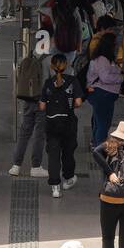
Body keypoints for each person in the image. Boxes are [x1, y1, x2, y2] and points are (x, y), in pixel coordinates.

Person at [39, 53, 84, 198]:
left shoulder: (48, 83)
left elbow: (41, 106)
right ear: (66, 66)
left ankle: (55, 187)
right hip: (68, 123)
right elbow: (78, 102)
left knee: (53, 154)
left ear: (52, 67)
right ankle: (69, 178)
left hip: (52, 124)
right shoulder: (72, 81)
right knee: (68, 152)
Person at [9, 49, 48, 179]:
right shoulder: (48, 60)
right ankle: (36, 166)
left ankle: (16, 166)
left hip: (27, 99)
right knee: (39, 134)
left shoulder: (28, 58)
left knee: (24, 133)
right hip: (42, 101)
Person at [85, 31, 122, 149]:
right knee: (103, 123)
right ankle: (99, 149)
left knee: (99, 121)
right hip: (102, 94)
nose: (117, 46)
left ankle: (96, 144)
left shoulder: (104, 58)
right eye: (115, 44)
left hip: (103, 95)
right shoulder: (102, 59)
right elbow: (105, 78)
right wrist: (122, 78)